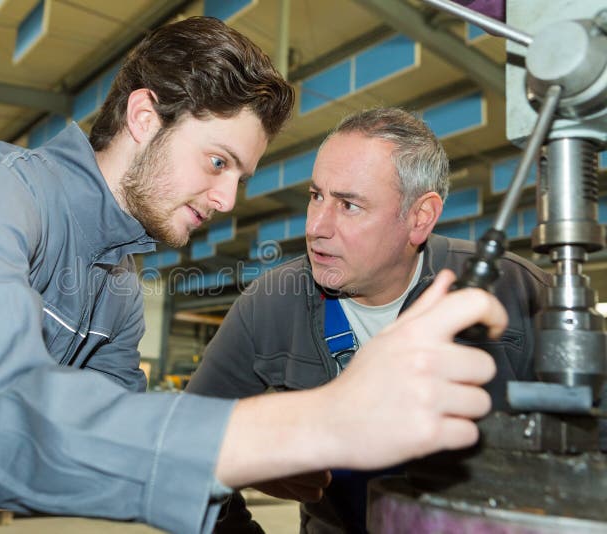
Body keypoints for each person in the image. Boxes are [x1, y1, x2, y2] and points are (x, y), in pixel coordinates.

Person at [0, 19, 507, 534]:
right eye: (217, 162)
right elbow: (0, 430)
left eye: (242, 175)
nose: (230, 200)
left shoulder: (116, 289)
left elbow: (81, 454)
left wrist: (244, 456)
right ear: (145, 117)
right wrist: (319, 419)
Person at [186, 108, 551, 533]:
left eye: (349, 204)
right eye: (316, 195)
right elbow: (184, 445)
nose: (316, 227)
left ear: (420, 218)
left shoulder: (518, 293)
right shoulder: (270, 304)